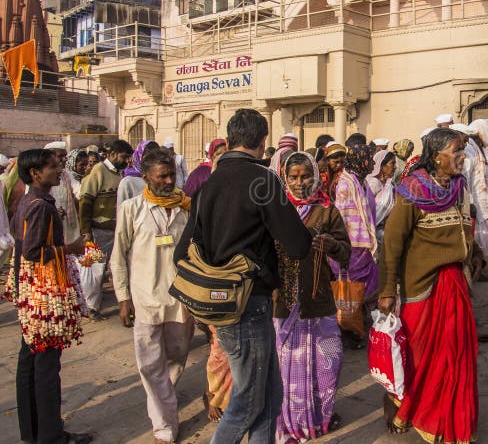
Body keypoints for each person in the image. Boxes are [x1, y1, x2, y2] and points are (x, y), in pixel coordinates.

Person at [174, 109, 311, 444]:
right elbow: (297, 245)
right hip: (249, 304)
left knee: (269, 397)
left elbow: (181, 254)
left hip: (220, 304)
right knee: (247, 403)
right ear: (263, 142)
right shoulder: (262, 180)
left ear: (232, 138)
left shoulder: (210, 183)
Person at [378, 127, 477, 444]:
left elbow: (466, 231)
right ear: (436, 157)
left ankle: (448, 421)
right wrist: (387, 290)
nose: (462, 157)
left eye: (463, 150)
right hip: (422, 286)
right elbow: (392, 243)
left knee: (455, 356)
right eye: (455, 151)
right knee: (420, 359)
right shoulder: (412, 190)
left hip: (454, 285)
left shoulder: (459, 188)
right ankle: (402, 406)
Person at [110, 148, 194, 444]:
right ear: (145, 177)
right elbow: (118, 257)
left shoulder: (186, 207)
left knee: (176, 358)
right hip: (144, 299)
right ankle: (164, 424)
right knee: (149, 364)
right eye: (162, 176)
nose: (169, 180)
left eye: (172, 174)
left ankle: (164, 398)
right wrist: (123, 298)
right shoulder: (132, 209)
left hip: (180, 300)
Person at [11, 149, 91, 444]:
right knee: (45, 368)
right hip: (42, 295)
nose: (59, 170)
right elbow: (32, 252)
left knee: (30, 363)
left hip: (30, 292)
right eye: (53, 166)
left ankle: (33, 432)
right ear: (35, 173)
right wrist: (70, 248)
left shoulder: (29, 201)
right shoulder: (40, 207)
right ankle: (51, 436)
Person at [274, 151, 351, 442]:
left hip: (319, 300)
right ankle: (291, 423)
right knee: (286, 368)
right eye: (293, 177)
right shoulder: (276, 208)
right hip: (283, 301)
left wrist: (332, 244)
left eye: (305, 175)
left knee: (329, 362)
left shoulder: (327, 210)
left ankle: (320, 418)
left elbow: (346, 252)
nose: (299, 182)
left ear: (315, 176)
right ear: (284, 177)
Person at [79, 139, 133, 320]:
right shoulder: (98, 172)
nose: (126, 161)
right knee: (95, 270)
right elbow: (85, 202)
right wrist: (86, 230)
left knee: (116, 268)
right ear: (112, 155)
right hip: (99, 230)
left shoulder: (121, 174)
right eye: (123, 157)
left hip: (116, 230)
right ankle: (90, 308)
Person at [331, 145, 378, 348]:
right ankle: (350, 331)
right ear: (362, 160)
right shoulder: (345, 183)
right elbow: (341, 217)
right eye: (370, 159)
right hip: (351, 244)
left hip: (363, 243)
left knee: (363, 288)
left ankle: (358, 326)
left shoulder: (361, 181)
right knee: (350, 289)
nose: (373, 164)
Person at [465, 119, 488, 258]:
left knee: (486, 230)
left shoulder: (484, 151)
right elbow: (465, 177)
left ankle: (481, 263)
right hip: (476, 200)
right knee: (477, 233)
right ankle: (476, 265)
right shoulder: (469, 149)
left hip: (485, 200)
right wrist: (470, 201)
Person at [43, 142, 81, 246]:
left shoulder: (67, 174)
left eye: (65, 156)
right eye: (61, 156)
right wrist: (53, 212)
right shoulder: (41, 176)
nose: (64, 159)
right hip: (48, 223)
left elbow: (79, 191)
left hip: (68, 224)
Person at [366, 149, 396, 245]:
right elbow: (367, 209)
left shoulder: (388, 185)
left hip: (384, 231)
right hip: (373, 231)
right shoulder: (373, 183)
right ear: (382, 166)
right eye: (392, 164)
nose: (395, 167)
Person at [117, 141, 160, 206]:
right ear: (139, 157)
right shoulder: (128, 182)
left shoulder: (162, 178)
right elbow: (121, 210)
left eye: (156, 158)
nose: (152, 162)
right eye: (148, 158)